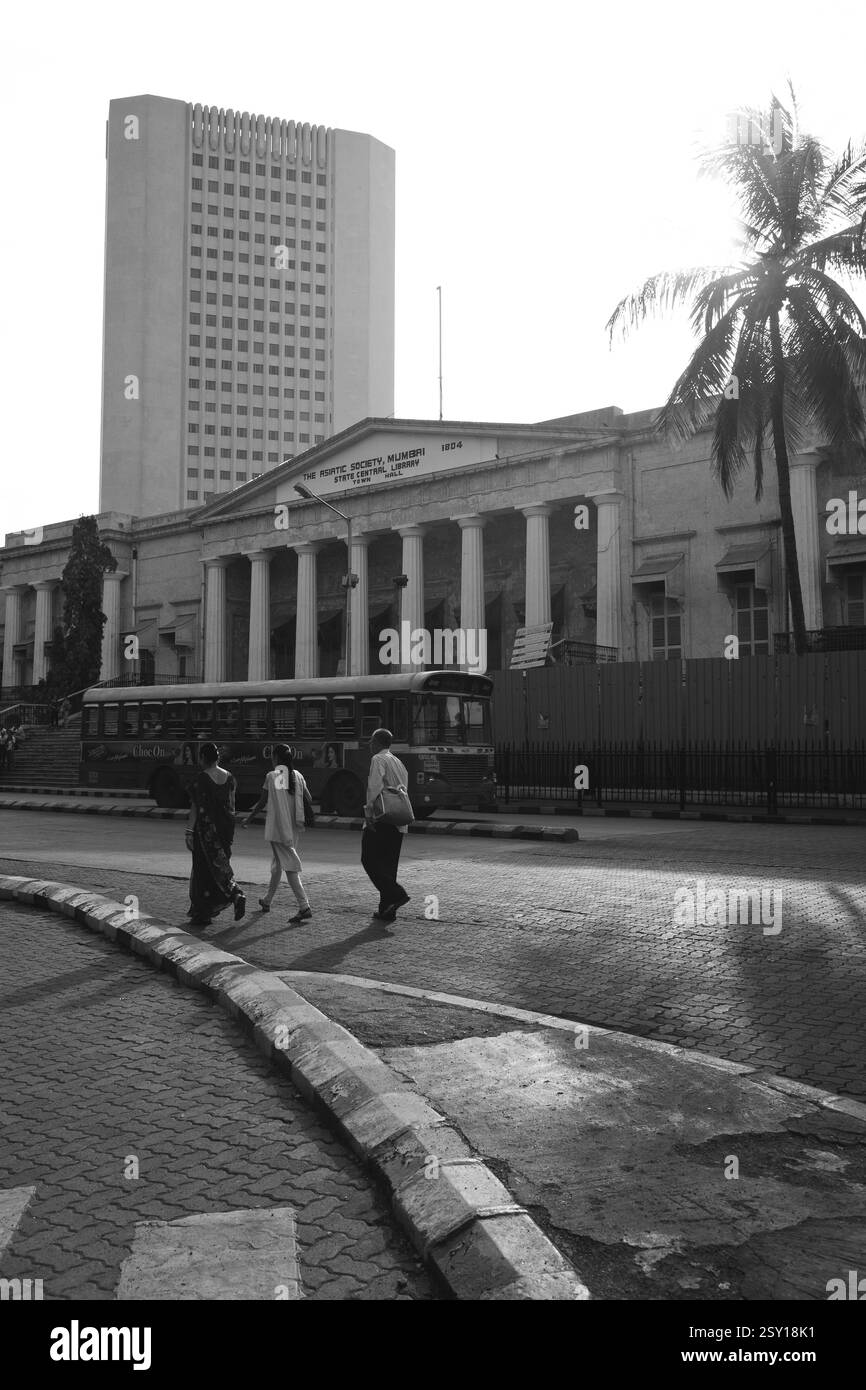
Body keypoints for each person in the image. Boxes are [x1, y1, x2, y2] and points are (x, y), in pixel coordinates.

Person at [241, 744, 313, 923]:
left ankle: (304, 906)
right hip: (293, 827)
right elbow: (309, 798)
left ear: (276, 758)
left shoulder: (272, 776)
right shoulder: (297, 776)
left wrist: (248, 819)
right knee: (278, 864)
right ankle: (267, 900)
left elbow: (262, 801)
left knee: (289, 866)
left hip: (279, 829)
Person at [185, 742, 246, 927]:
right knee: (221, 869)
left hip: (205, 833)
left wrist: (189, 831)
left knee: (203, 872)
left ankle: (203, 913)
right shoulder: (229, 777)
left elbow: (195, 806)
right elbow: (232, 806)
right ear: (217, 757)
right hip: (225, 831)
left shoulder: (201, 779)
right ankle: (235, 894)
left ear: (203, 758)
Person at [361, 728, 412, 923]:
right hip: (398, 820)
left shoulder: (378, 760)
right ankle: (387, 910)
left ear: (377, 742)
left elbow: (374, 787)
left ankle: (397, 894)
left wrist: (368, 814)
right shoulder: (399, 762)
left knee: (369, 859)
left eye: (371, 741)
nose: (369, 745)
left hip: (382, 818)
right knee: (388, 865)